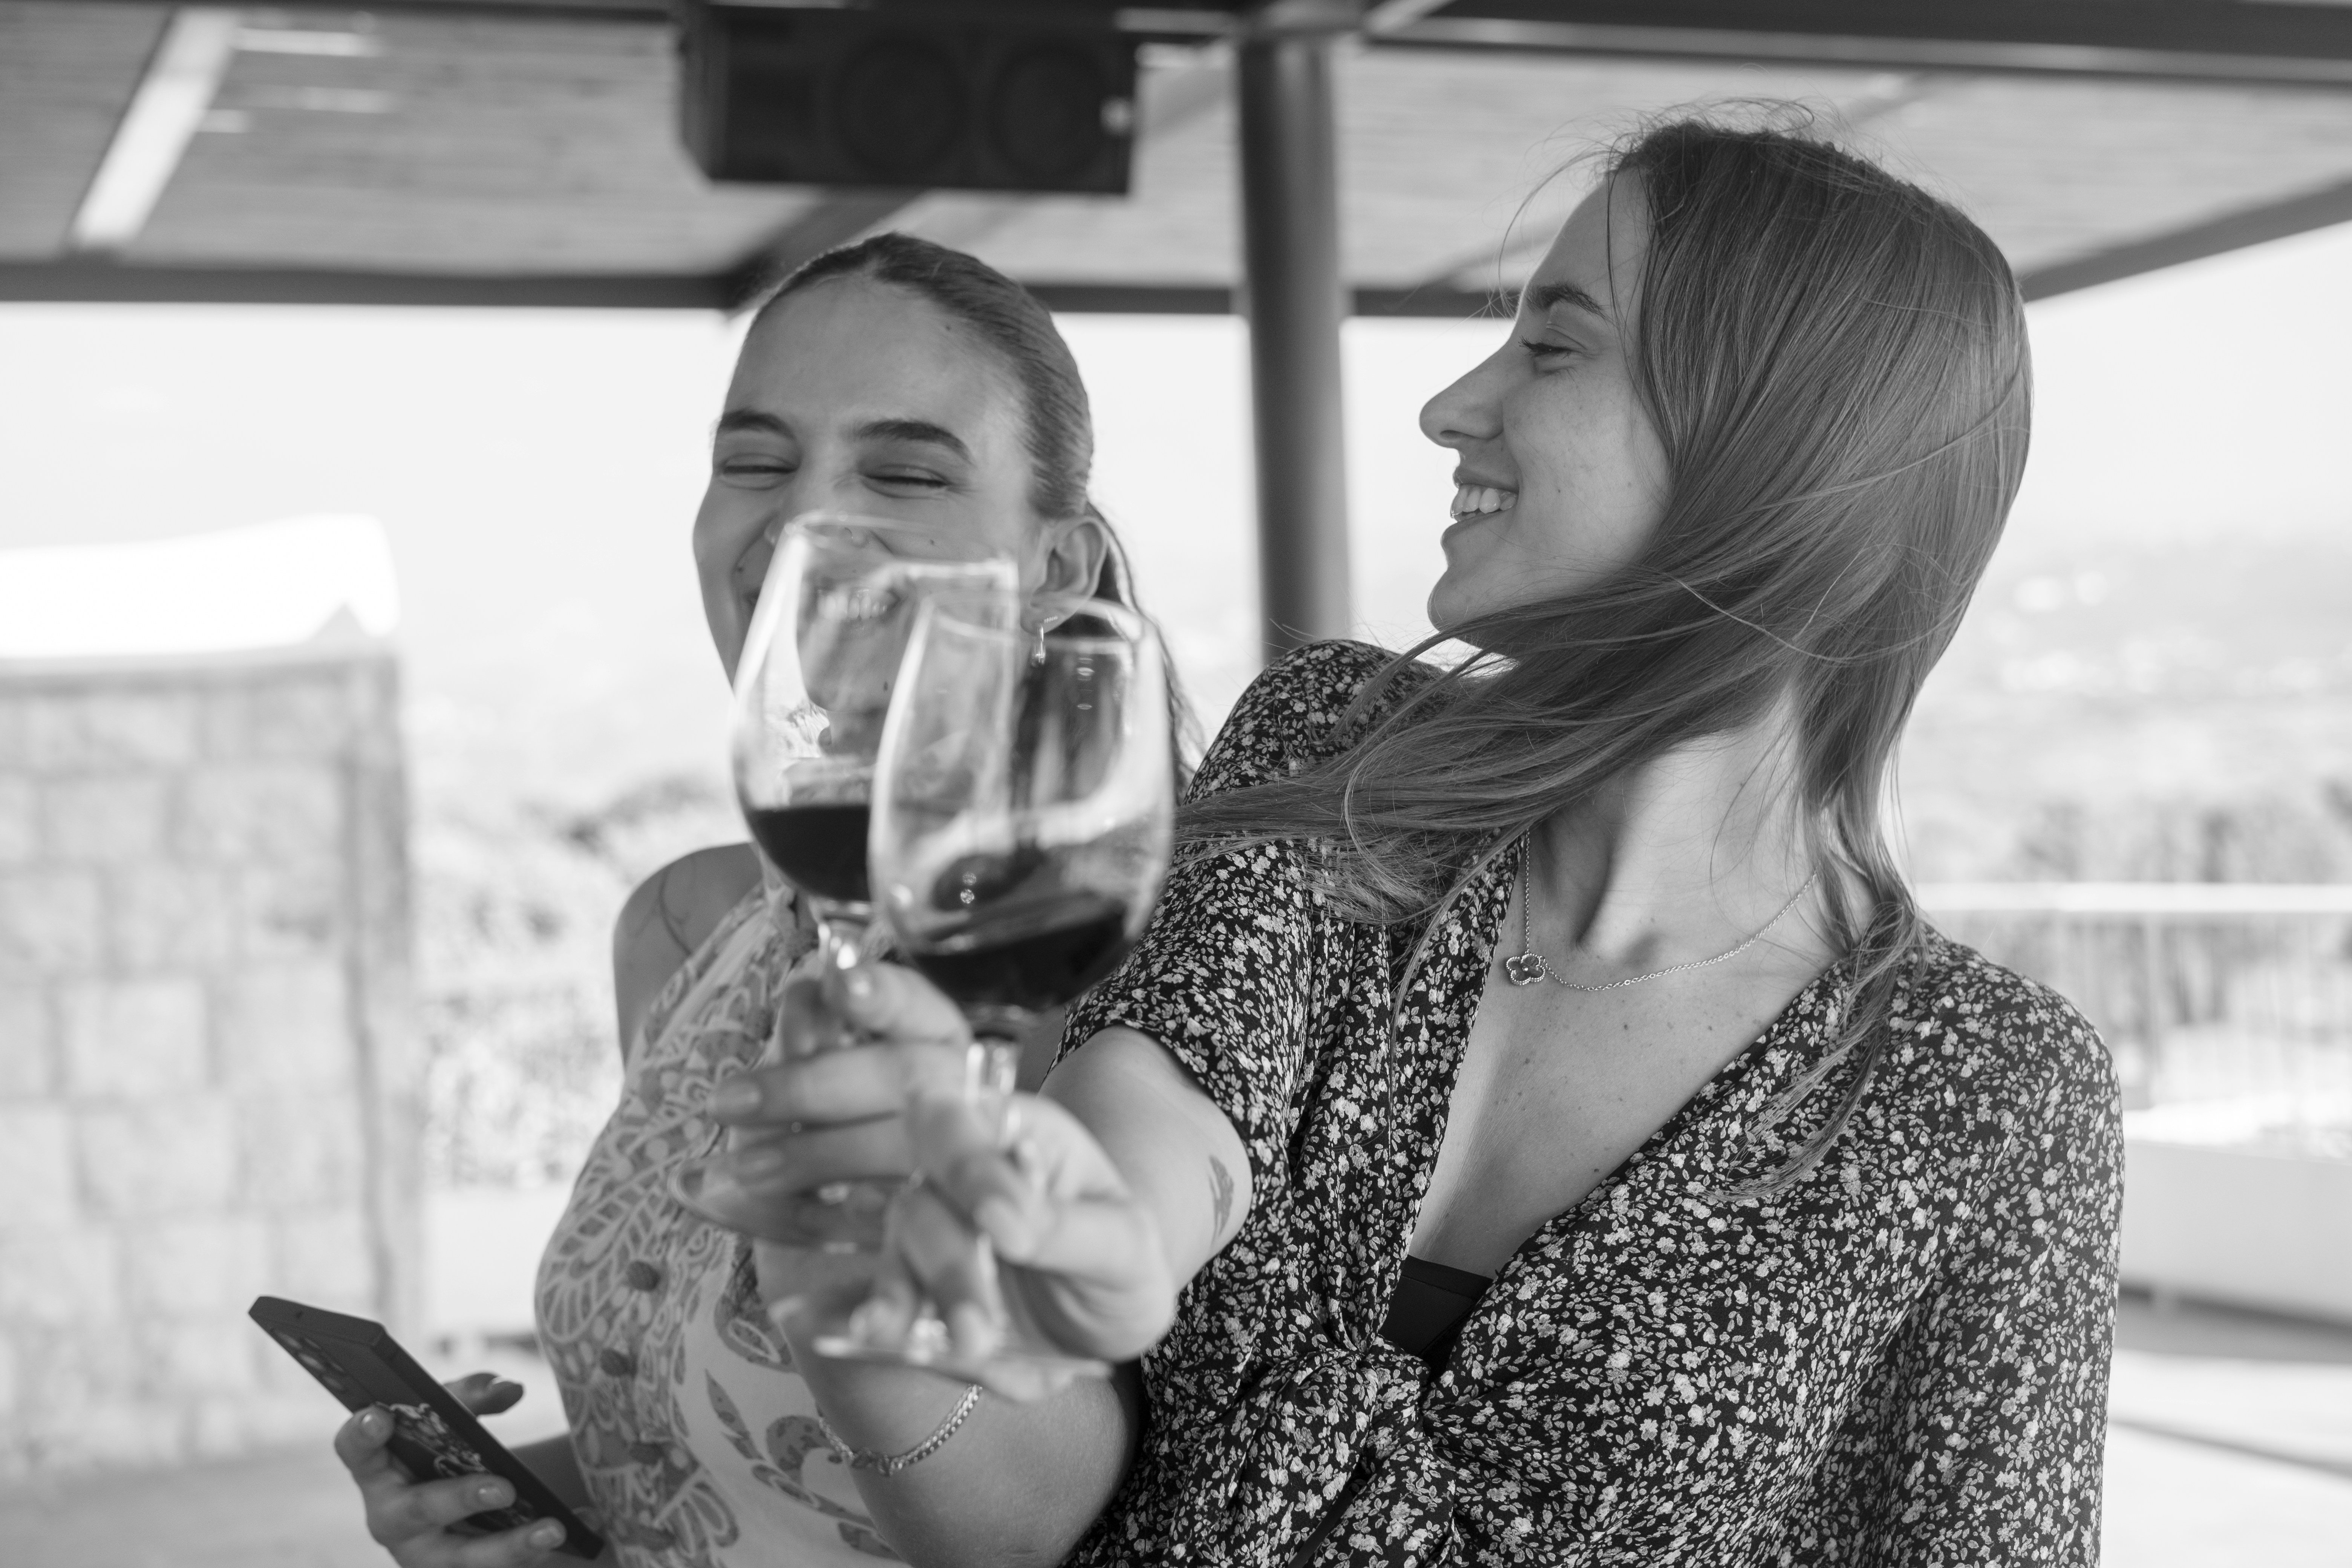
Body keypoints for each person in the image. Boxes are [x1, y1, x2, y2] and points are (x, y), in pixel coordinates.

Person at [722, 117, 2124, 1565]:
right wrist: (957, 1281)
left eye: (1554, 348)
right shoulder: (1337, 747)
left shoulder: (1991, 1099)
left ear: (1782, 442)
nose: (1451, 408)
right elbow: (1166, 1125)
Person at [330, 232, 1156, 1567]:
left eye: (902, 472)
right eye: (756, 463)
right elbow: (709, 1450)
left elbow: (1053, 1520)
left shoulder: (1128, 976)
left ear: (1057, 568)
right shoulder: (683, 931)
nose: (802, 525)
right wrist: (505, 1508)